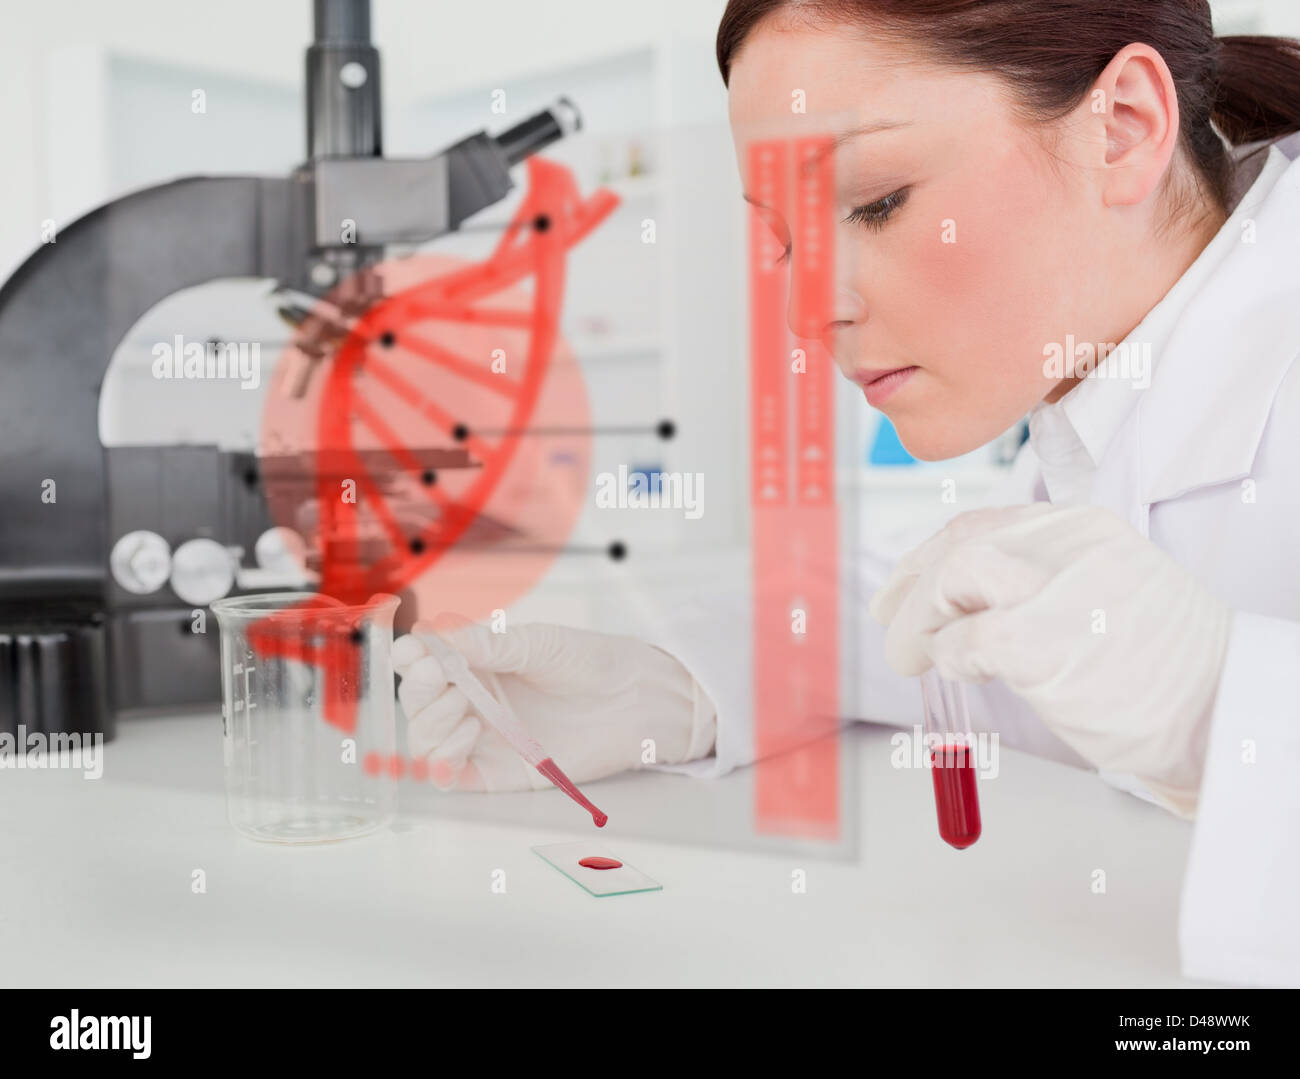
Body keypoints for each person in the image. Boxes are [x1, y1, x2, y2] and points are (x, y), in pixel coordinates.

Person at [391, 0, 1300, 986]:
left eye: (872, 202)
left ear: (1120, 125)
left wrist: (1228, 706)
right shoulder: (1103, 383)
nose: (808, 310)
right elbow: (949, 626)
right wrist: (674, 686)